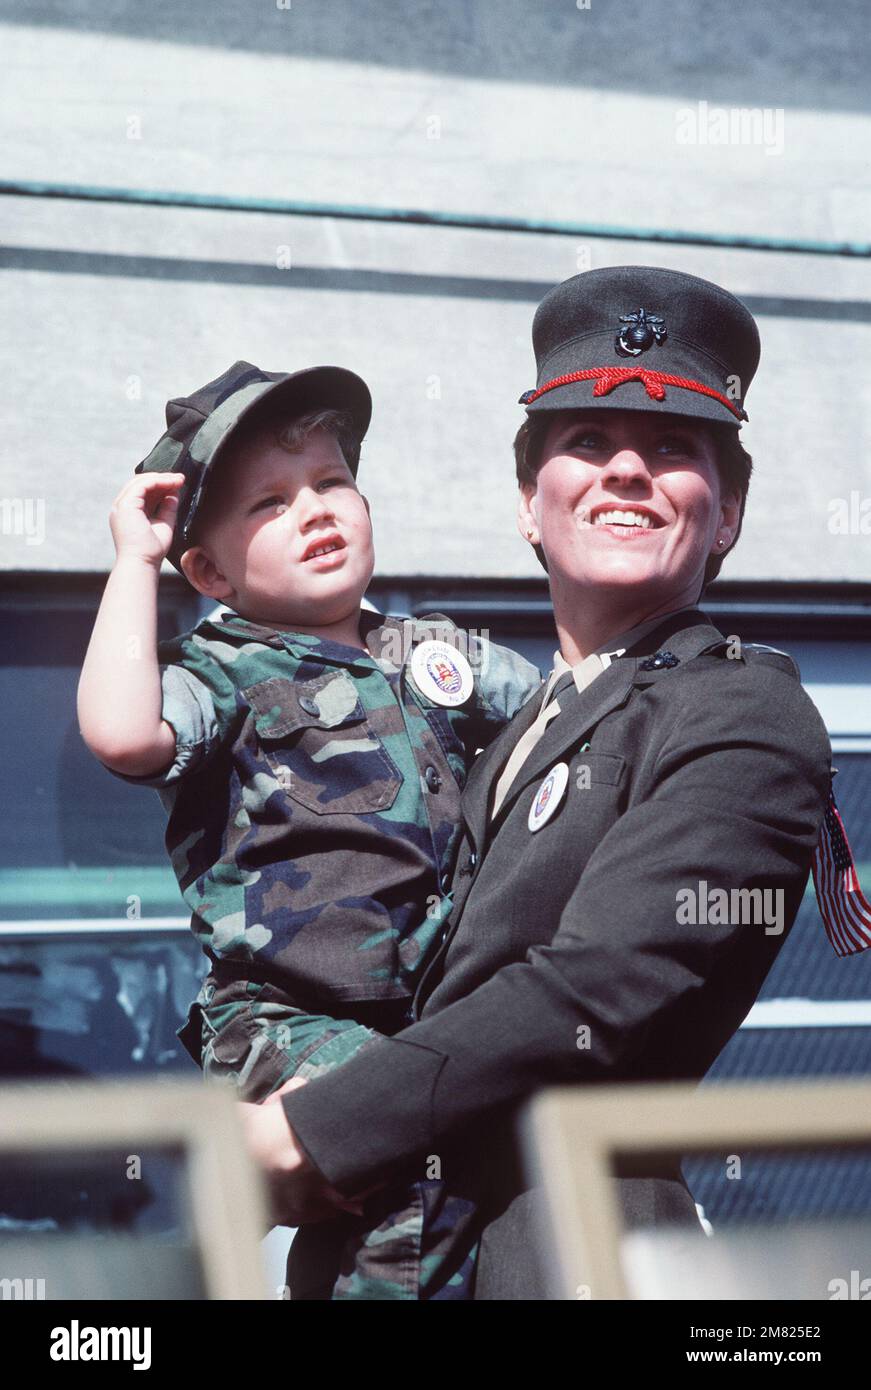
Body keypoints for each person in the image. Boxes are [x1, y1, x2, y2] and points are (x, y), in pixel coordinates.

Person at [240, 266, 835, 1300]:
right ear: (528, 502)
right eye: (586, 444)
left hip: (566, 1253)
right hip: (396, 1246)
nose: (625, 473)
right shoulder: (515, 724)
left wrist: (318, 1126)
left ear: (727, 511)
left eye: (671, 451)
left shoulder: (740, 708)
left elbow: (596, 989)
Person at [76, 360, 542, 1299]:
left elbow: (564, 715)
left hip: (431, 1015)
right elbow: (124, 735)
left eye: (332, 482)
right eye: (269, 505)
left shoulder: (433, 653)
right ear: (207, 571)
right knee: (412, 1141)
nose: (314, 510)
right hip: (285, 1020)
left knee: (473, 1167)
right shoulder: (223, 672)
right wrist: (134, 560)